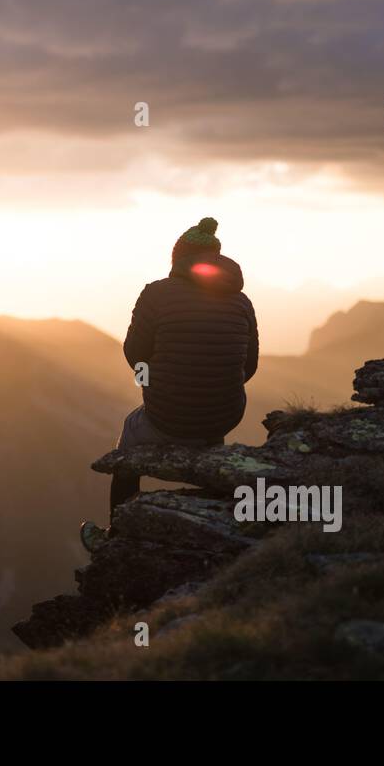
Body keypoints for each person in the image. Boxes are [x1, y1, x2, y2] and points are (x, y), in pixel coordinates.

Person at [80, 217, 258, 552]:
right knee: (210, 439)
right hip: (222, 417)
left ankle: (116, 537)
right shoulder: (241, 302)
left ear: (178, 258)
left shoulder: (156, 293)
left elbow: (135, 353)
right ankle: (214, 509)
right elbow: (249, 367)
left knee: (128, 441)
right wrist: (212, 385)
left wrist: (152, 383)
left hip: (166, 414)